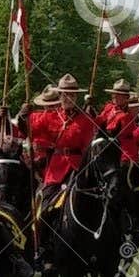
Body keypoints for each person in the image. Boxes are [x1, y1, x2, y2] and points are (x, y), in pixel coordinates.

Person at [17, 74, 98, 204]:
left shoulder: (85, 119)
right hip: (56, 168)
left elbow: (88, 147)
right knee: (44, 201)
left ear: (76, 97)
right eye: (65, 95)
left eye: (72, 95)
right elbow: (28, 131)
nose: (68, 98)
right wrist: (22, 115)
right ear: (59, 96)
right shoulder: (49, 116)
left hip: (78, 166)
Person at [97, 79, 139, 162]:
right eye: (114, 93)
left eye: (118, 94)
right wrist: (90, 113)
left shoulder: (127, 116)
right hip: (105, 146)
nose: (114, 96)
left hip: (123, 151)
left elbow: (113, 131)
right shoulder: (109, 107)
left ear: (126, 97)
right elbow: (99, 121)